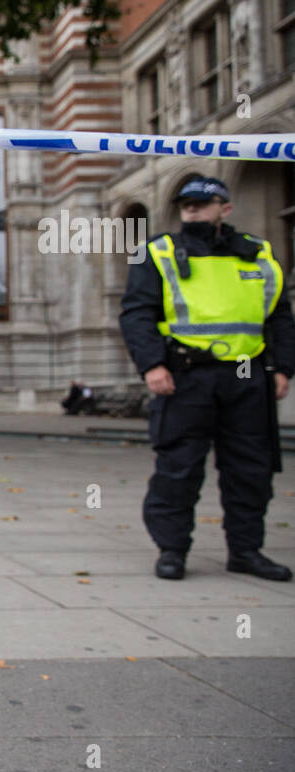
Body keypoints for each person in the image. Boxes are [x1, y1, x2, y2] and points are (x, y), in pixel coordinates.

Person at [119, 174, 293, 581]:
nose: (192, 210)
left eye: (201, 204)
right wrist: (151, 365)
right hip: (184, 378)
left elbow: (280, 316)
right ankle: (172, 550)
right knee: (178, 469)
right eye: (186, 205)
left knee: (251, 472)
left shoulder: (258, 255)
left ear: (225, 209)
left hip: (247, 378)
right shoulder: (159, 253)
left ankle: (246, 551)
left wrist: (284, 367)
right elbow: (138, 314)